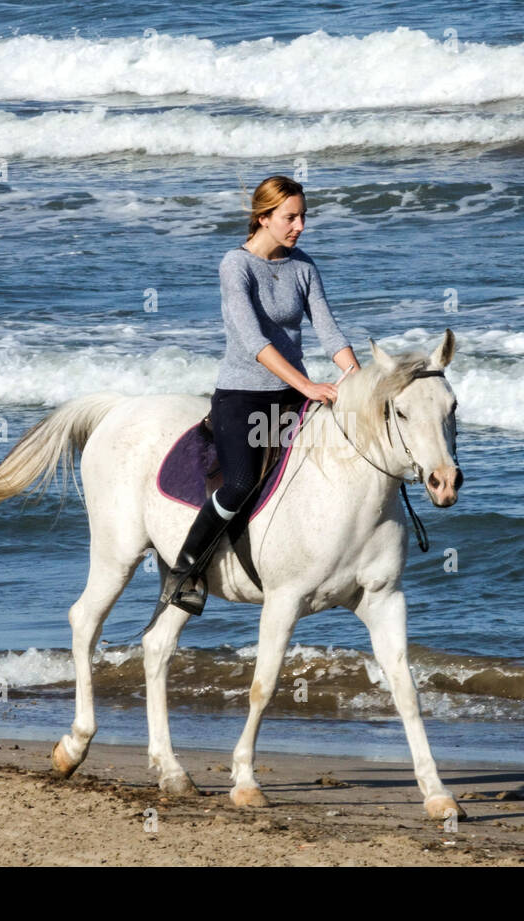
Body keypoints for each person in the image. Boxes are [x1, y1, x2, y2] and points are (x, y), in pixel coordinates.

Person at [158, 174, 361, 614]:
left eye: (304, 216)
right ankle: (186, 570)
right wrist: (307, 385)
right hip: (243, 397)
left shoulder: (304, 267)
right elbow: (253, 341)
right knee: (241, 483)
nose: (300, 226)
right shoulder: (236, 265)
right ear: (263, 217)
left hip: (291, 401)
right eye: (290, 217)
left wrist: (356, 376)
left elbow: (328, 330)